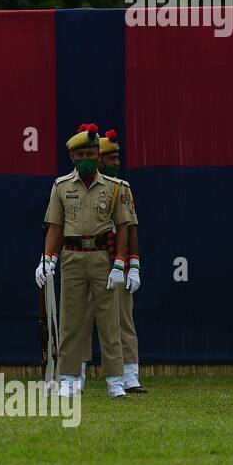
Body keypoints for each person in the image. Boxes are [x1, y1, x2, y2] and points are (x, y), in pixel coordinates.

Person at [35, 123, 132, 399]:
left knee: (109, 321)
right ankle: (67, 377)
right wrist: (48, 260)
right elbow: (55, 226)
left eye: (91, 154)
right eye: (80, 156)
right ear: (72, 158)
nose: (86, 159)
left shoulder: (113, 188)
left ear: (97, 156)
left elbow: (122, 226)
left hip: (102, 257)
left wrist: (119, 264)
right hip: (72, 258)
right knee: (70, 321)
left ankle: (115, 378)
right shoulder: (62, 186)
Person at [97, 131, 145, 394]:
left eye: (118, 157)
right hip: (94, 255)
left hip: (118, 256)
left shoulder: (123, 188)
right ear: (100, 159)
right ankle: (76, 374)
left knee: (124, 318)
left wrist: (133, 264)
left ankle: (130, 374)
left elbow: (132, 227)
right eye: (111, 158)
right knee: (85, 320)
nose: (117, 162)